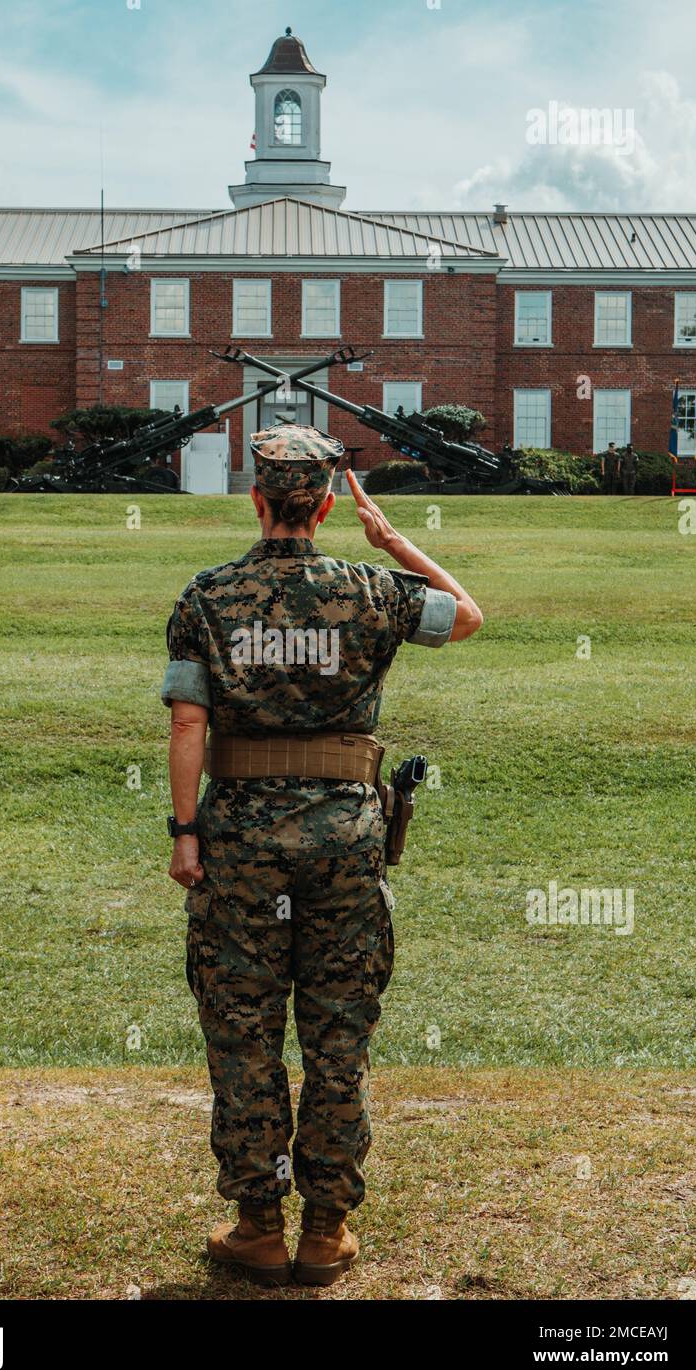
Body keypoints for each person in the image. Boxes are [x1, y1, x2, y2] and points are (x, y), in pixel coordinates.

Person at [161, 423, 483, 1287]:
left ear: (257, 498)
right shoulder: (374, 590)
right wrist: (396, 541)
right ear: (330, 503)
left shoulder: (208, 595)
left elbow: (188, 721)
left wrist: (185, 833)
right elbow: (470, 618)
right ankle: (325, 1230)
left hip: (237, 843)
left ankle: (259, 1226)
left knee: (244, 1030)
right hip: (346, 839)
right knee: (338, 1033)